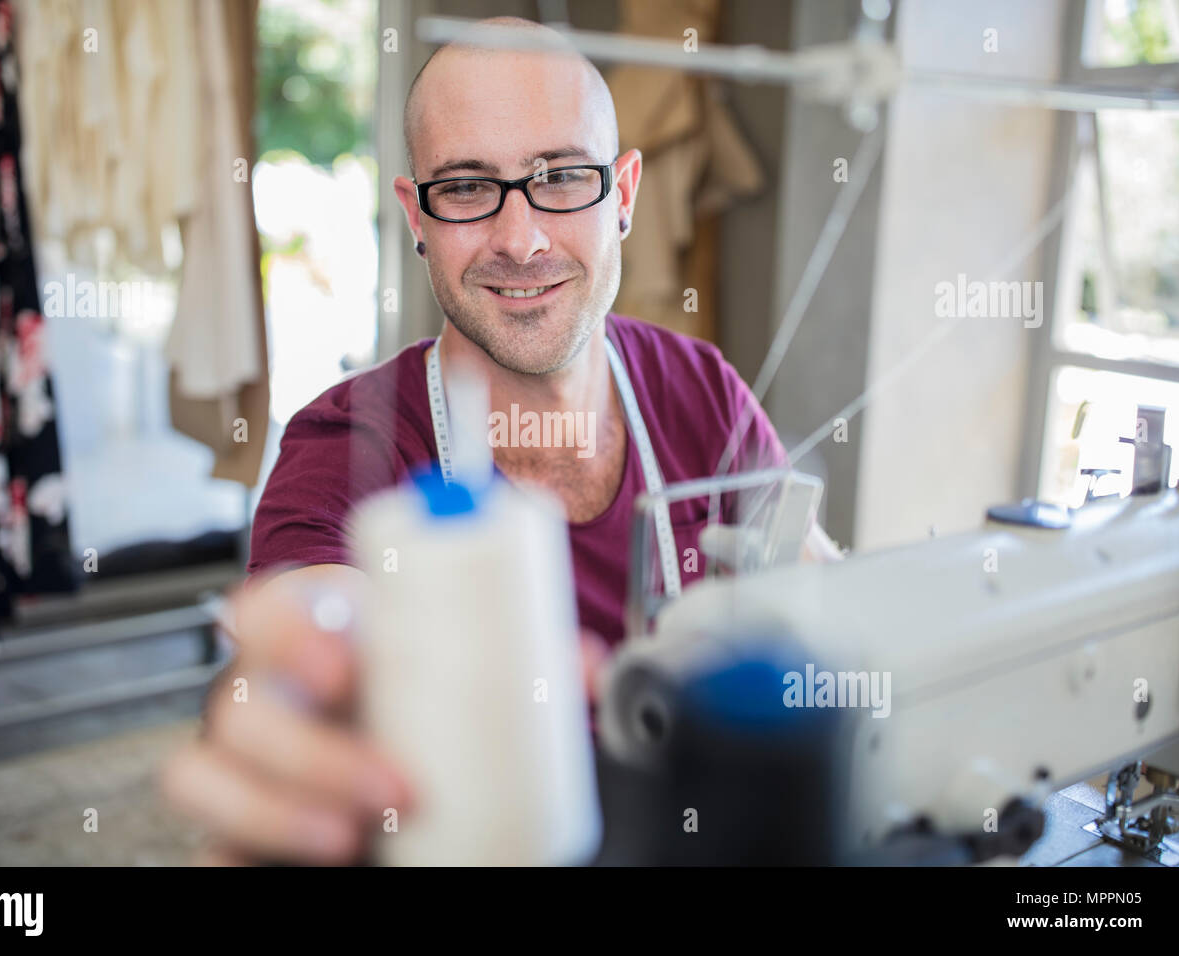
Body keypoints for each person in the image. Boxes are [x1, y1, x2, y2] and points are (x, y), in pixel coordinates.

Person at [162, 16, 842, 865]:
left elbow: (826, 599)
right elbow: (315, 632)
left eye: (561, 176)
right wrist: (306, 702)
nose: (520, 240)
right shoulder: (347, 450)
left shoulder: (702, 390)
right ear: (416, 212)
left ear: (624, 193)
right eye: (466, 187)